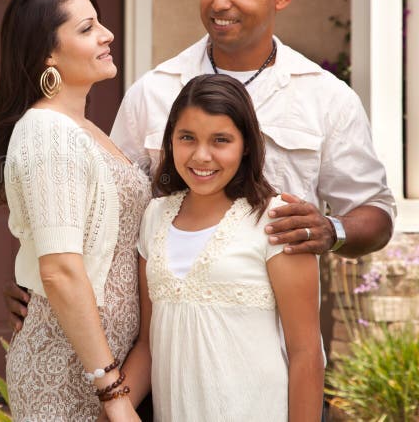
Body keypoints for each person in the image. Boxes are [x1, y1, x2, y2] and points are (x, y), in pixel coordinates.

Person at [4, 0, 395, 335]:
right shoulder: (153, 91)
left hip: (278, 349)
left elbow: (377, 214)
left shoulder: (327, 98)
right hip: (164, 345)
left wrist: (332, 229)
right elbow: (98, 206)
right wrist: (32, 270)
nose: (219, 1)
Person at [0, 0, 151, 421]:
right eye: (87, 28)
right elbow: (59, 270)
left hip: (107, 366)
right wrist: (112, 391)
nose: (107, 35)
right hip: (69, 368)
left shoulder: (88, 130)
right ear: (48, 55)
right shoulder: (46, 132)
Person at [126, 74, 324, 420]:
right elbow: (147, 346)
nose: (202, 156)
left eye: (221, 140)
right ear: (170, 141)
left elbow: (306, 353)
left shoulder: (277, 220)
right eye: (187, 137)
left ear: (246, 144)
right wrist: (111, 407)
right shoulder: (154, 217)